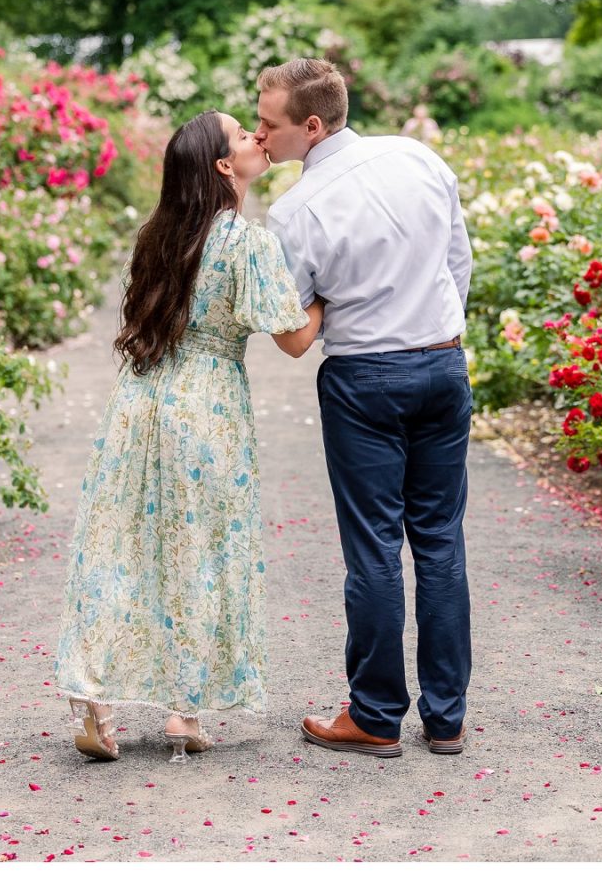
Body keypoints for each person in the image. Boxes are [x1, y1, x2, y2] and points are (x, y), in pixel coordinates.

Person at [53, 111, 324, 764]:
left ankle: (92, 689)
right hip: (207, 408)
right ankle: (184, 708)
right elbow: (294, 339)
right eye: (244, 135)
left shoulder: (158, 237)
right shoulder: (247, 242)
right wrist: (330, 297)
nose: (258, 137)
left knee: (120, 546)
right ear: (225, 166)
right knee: (200, 548)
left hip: (139, 399)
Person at [255, 58, 474, 758]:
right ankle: (446, 718)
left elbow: (291, 327)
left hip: (365, 379)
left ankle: (376, 715)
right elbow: (458, 262)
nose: (259, 136)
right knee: (440, 540)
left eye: (269, 124)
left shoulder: (294, 212)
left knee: (374, 546)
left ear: (312, 126)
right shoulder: (419, 158)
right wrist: (428, 323)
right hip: (443, 363)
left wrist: (341, 298)